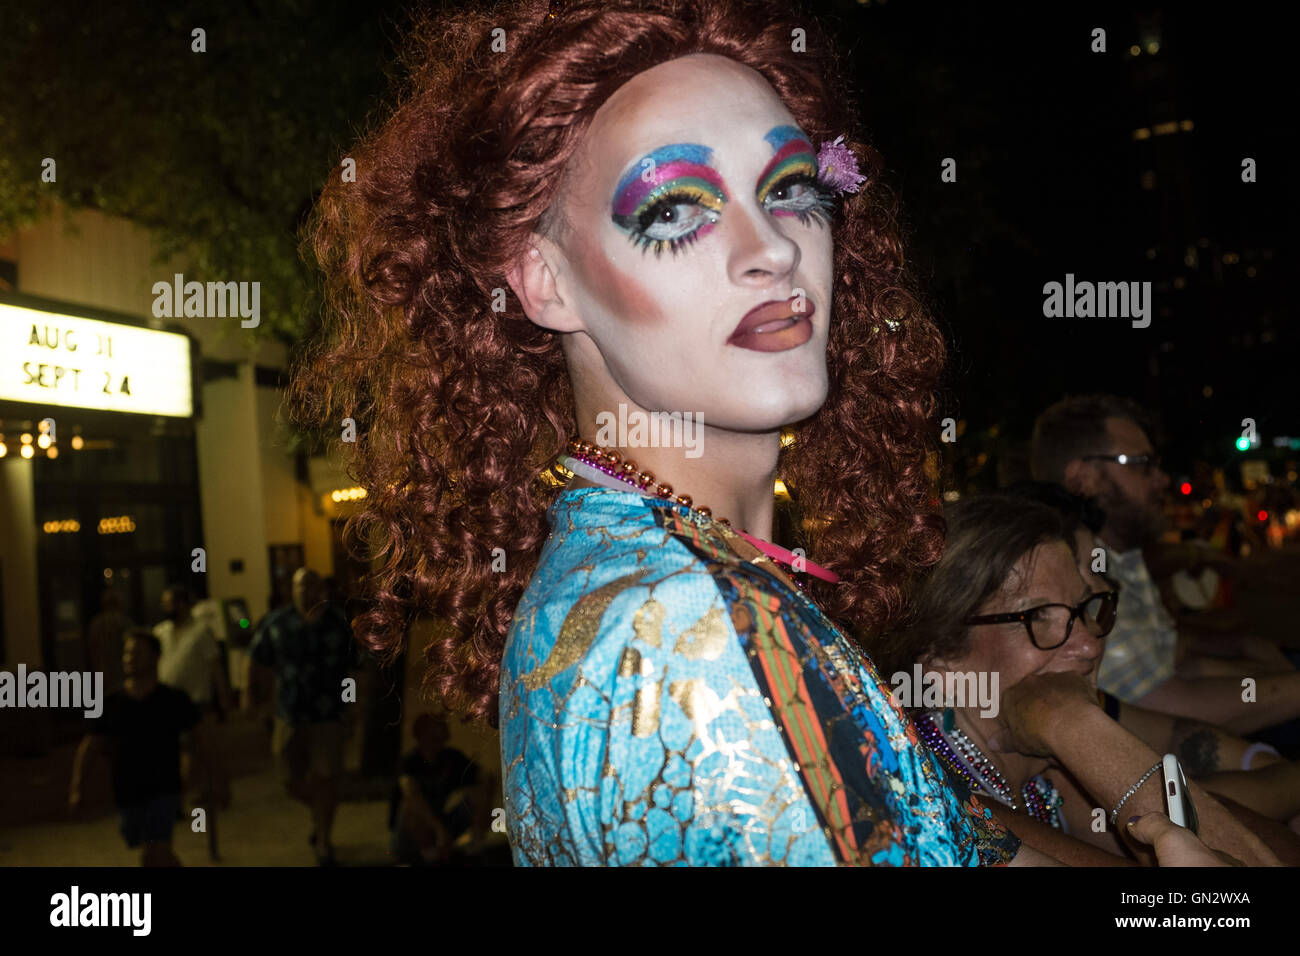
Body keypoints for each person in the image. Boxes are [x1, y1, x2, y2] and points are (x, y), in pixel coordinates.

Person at [289, 0, 1247, 868]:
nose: (774, 248)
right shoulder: (692, 637)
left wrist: (1135, 797)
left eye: (790, 187)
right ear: (546, 282)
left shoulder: (656, 565)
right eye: (676, 209)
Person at [875, 494, 1287, 865]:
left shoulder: (1041, 772)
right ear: (940, 655)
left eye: (1085, 606)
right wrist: (1071, 723)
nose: (1090, 644)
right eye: (1037, 616)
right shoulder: (944, 804)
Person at [1030, 394, 1300, 738]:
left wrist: (1250, 653)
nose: (1162, 479)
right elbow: (1164, 705)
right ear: (1083, 477)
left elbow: (1168, 658)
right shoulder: (1074, 574)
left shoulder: (1120, 550)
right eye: (1142, 464)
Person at [69, 630, 224, 866]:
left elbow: (202, 738)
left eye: (137, 652)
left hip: (165, 788)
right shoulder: (110, 703)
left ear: (155, 657)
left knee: (157, 848)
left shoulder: (172, 700)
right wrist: (78, 787)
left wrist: (217, 777)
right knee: (149, 852)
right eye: (127, 653)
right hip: (127, 792)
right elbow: (90, 745)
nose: (130, 658)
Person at [246, 567, 360, 865]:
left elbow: (355, 668)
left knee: (326, 778)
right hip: (289, 712)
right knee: (289, 780)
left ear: (320, 589)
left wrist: (353, 707)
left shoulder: (338, 622)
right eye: (299, 585)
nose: (304, 591)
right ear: (291, 590)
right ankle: (320, 814)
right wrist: (252, 697)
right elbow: (256, 660)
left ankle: (323, 841)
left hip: (328, 715)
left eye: (310, 585)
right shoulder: (276, 623)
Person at [388, 713, 492, 864]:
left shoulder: (450, 757)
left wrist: (479, 826)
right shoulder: (410, 763)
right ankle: (431, 856)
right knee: (410, 806)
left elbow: (485, 778)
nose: (439, 741)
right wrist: (439, 830)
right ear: (421, 736)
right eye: (434, 735)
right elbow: (409, 793)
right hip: (409, 835)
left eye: (442, 734)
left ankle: (474, 848)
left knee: (479, 794)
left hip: (441, 826)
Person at [86, 585, 132, 694]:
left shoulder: (96, 623)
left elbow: (92, 649)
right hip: (120, 671)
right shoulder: (124, 622)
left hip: (102, 670)